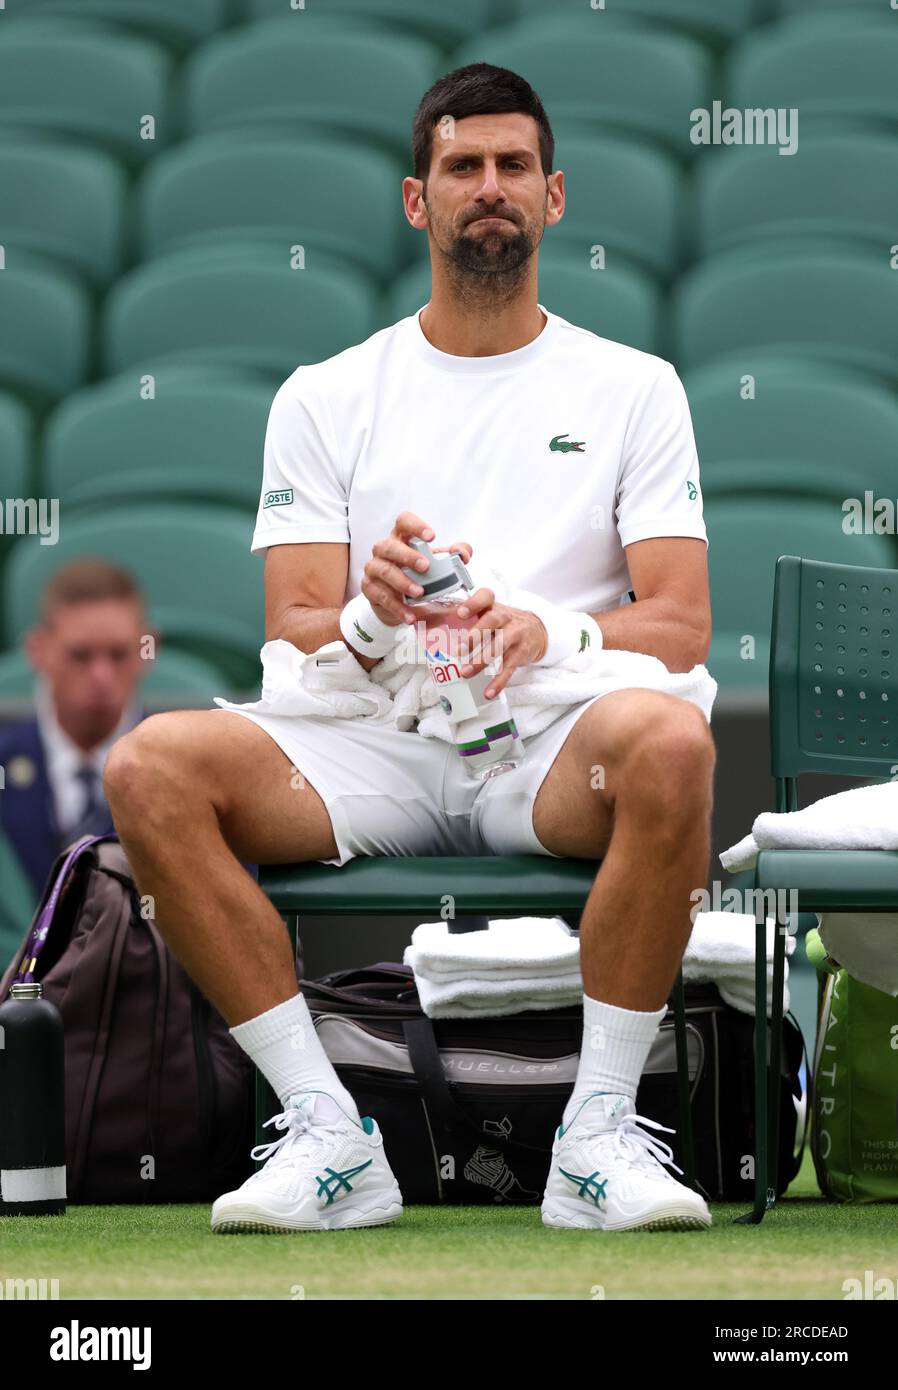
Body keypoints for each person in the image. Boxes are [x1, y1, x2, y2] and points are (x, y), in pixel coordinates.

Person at [104, 63, 715, 1235]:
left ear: (554, 196)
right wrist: (373, 614)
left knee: (673, 740)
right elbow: (292, 622)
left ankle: (595, 1141)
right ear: (416, 200)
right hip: (369, 743)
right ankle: (332, 1137)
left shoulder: (637, 388)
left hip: (547, 742)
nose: (490, 186)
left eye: (513, 166)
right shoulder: (325, 395)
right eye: (461, 166)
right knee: (146, 768)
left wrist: (553, 624)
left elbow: (681, 619)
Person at [0, 559, 149, 902]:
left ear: (147, 648)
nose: (102, 676)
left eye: (118, 654)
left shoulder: (187, 774)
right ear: (38, 650)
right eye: (80, 656)